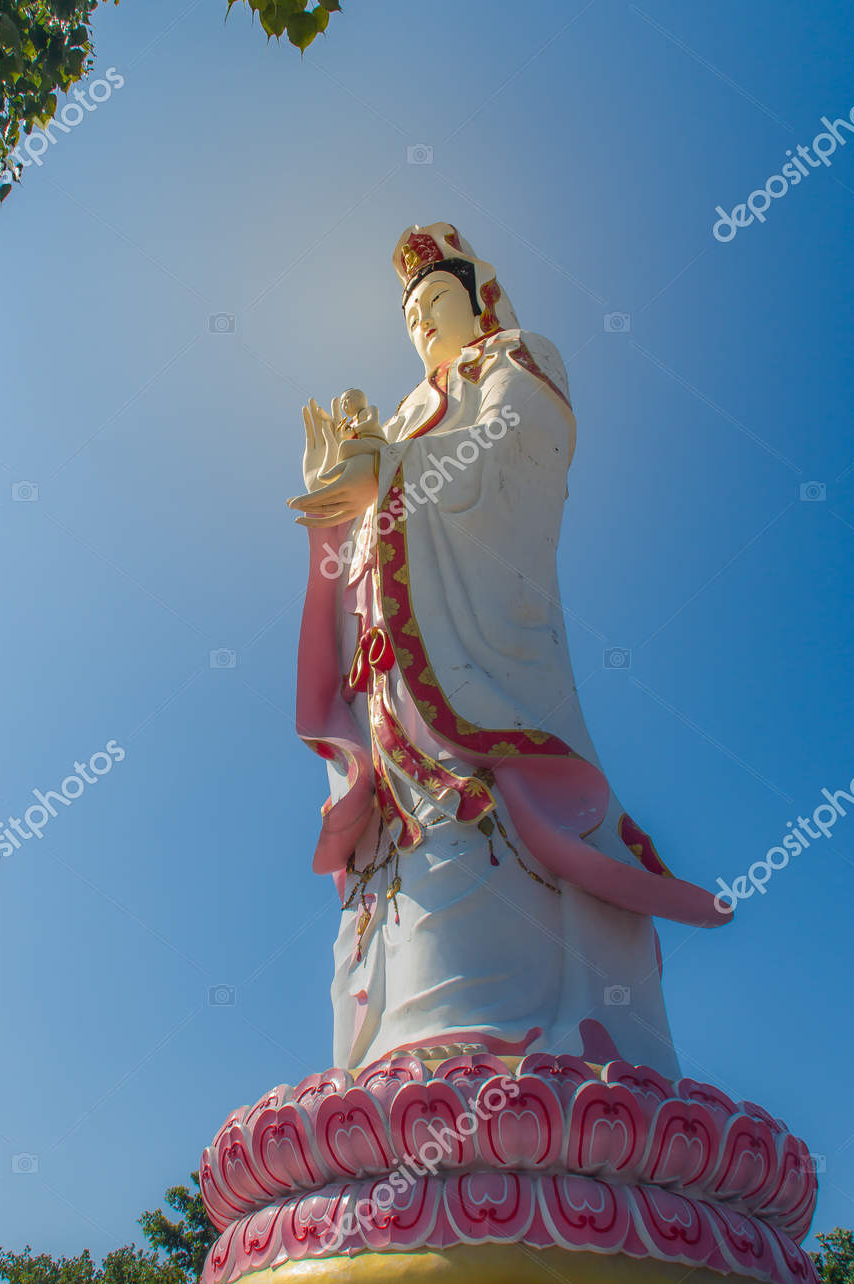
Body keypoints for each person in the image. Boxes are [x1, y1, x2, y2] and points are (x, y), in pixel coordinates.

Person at [288, 224, 730, 1075]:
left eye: (437, 302)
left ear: (479, 300)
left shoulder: (514, 360)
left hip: (482, 647)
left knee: (485, 814)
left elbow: (520, 461)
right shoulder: (405, 413)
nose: (422, 323)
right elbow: (366, 542)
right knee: (402, 842)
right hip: (393, 677)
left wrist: (385, 472)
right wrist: (336, 506)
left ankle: (516, 1034)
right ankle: (390, 1050)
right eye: (411, 314)